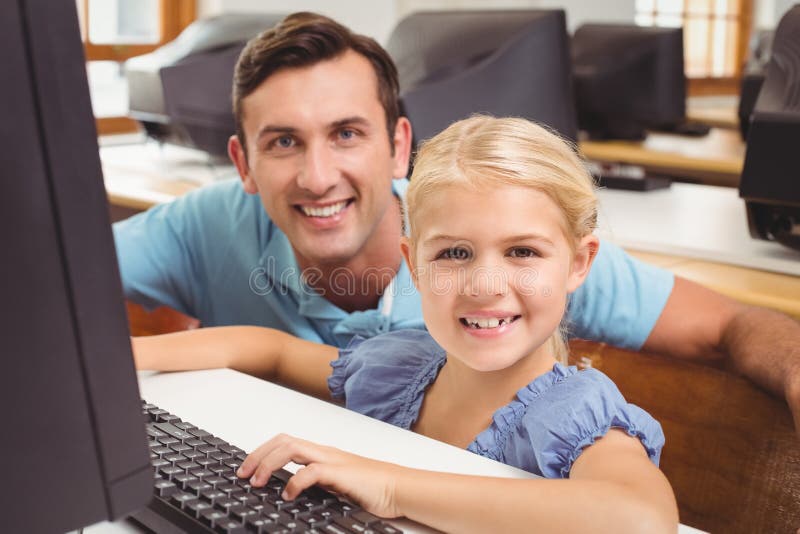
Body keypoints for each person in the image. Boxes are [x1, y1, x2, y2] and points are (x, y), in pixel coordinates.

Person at [114, 12, 800, 431]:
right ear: (242, 161)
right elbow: (42, 276)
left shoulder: (502, 253)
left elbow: (727, 326)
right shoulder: (200, 227)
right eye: (283, 142)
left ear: (400, 146)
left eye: (347, 133)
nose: (317, 175)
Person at [134, 115, 679, 532]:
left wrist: (390, 488)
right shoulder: (401, 366)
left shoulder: (573, 414)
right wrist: (123, 362)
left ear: (579, 263)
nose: (485, 284)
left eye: (522, 252)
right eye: (455, 254)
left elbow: (638, 519)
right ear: (413, 262)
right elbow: (272, 349)